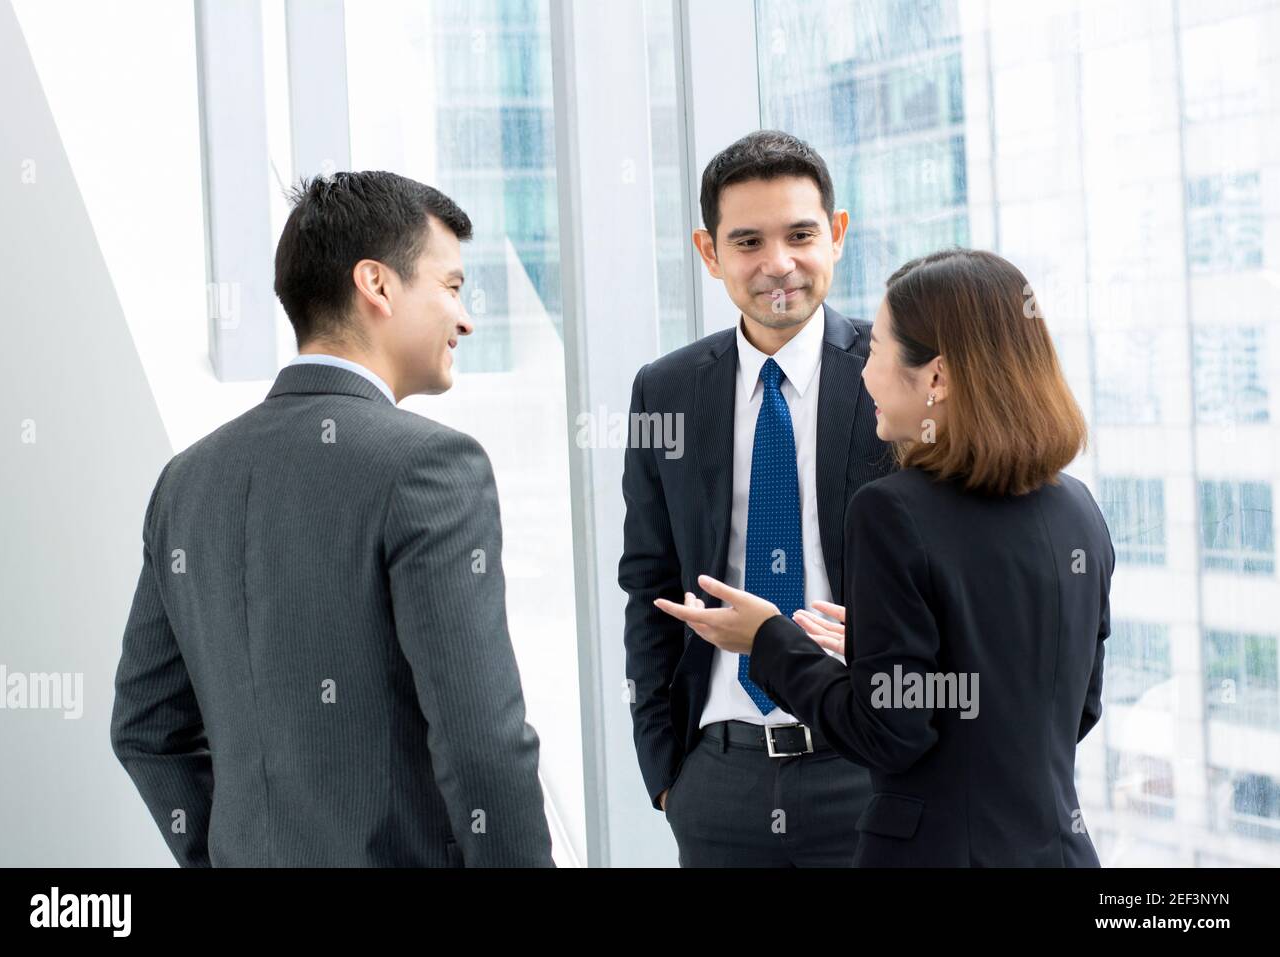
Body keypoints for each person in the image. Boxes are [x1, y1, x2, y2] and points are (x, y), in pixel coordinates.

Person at [110, 171, 553, 867]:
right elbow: (480, 742)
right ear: (376, 284)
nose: (465, 319)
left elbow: (145, 728)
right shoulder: (431, 465)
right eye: (452, 287)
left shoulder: (187, 481)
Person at [654, 248, 1114, 867]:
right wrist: (884, 657)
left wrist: (766, 638)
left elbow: (888, 734)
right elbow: (1071, 706)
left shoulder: (892, 512)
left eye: (877, 353)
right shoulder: (1078, 508)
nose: (865, 375)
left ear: (938, 378)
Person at [620, 130, 893, 866]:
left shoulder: (897, 371)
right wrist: (666, 774)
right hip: (719, 780)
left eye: (801, 234)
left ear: (836, 235)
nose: (779, 264)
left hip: (870, 768)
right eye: (748, 241)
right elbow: (646, 581)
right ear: (710, 253)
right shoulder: (664, 389)